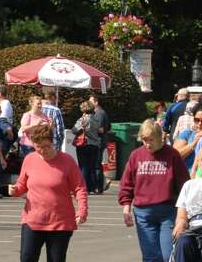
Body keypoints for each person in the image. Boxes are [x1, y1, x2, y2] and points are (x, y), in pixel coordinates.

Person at [9, 122, 87, 262]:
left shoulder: (67, 161)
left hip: (60, 222)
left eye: (46, 146)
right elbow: (22, 185)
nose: (43, 151)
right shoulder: (29, 159)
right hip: (33, 220)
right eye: (38, 147)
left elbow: (79, 188)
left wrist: (82, 211)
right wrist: (14, 190)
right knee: (26, 258)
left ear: (52, 142)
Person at [118, 118, 188, 262]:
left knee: (167, 254)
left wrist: (184, 214)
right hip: (143, 213)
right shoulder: (136, 155)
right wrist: (126, 208)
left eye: (151, 140)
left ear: (160, 138)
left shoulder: (172, 154)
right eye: (144, 140)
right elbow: (127, 184)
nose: (148, 144)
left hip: (167, 211)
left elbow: (184, 185)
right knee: (151, 256)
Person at [71, 100, 102, 195]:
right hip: (95, 144)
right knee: (92, 166)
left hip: (84, 144)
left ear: (84, 109)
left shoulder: (83, 120)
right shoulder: (97, 119)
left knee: (83, 166)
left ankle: (83, 186)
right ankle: (92, 187)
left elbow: (74, 130)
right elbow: (99, 129)